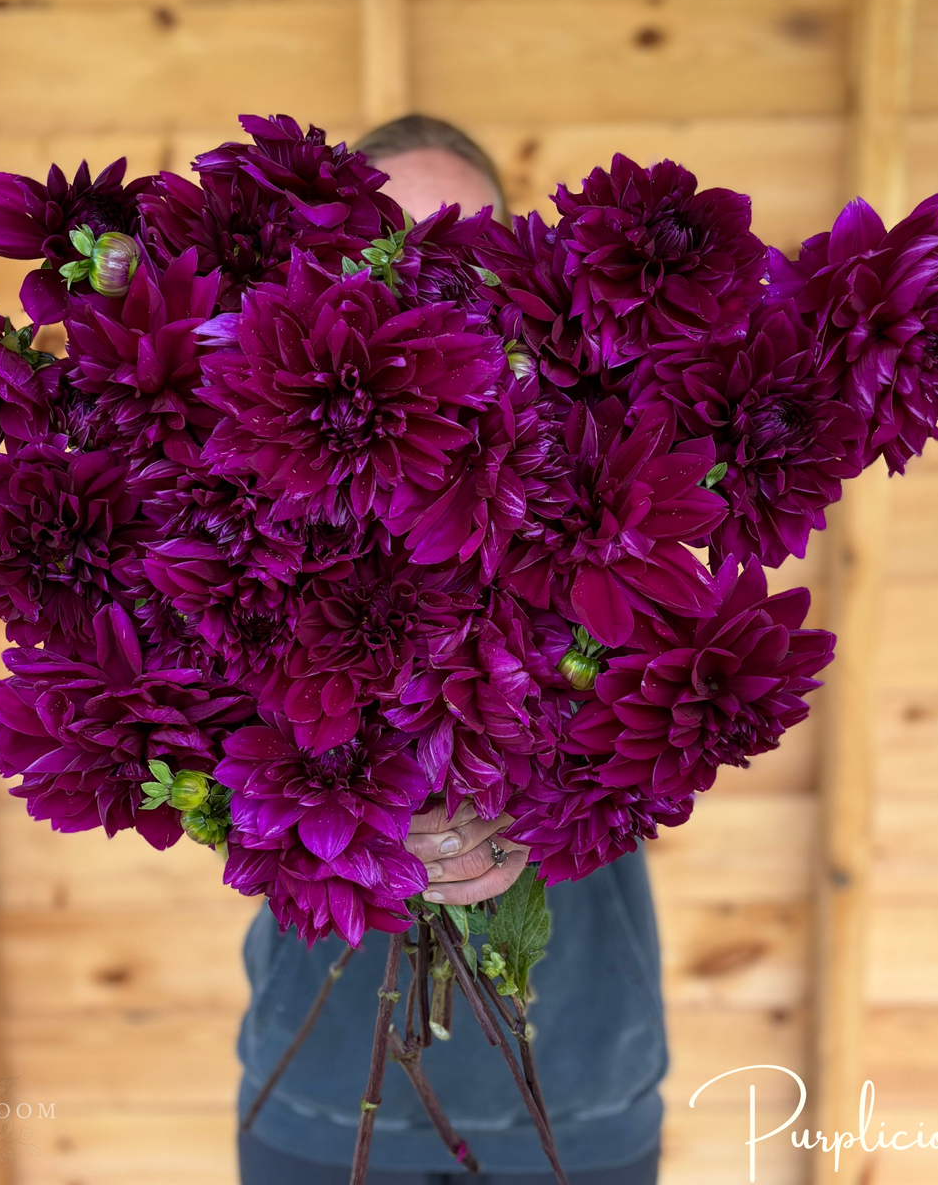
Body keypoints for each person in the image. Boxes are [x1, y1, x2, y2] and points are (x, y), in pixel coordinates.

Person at [235, 115, 667, 1185]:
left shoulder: (613, 453)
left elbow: (690, 710)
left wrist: (542, 790)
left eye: (458, 243)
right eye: (389, 242)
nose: (423, 275)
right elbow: (202, 750)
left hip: (576, 1085)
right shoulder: (255, 468)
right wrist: (371, 818)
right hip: (327, 1090)